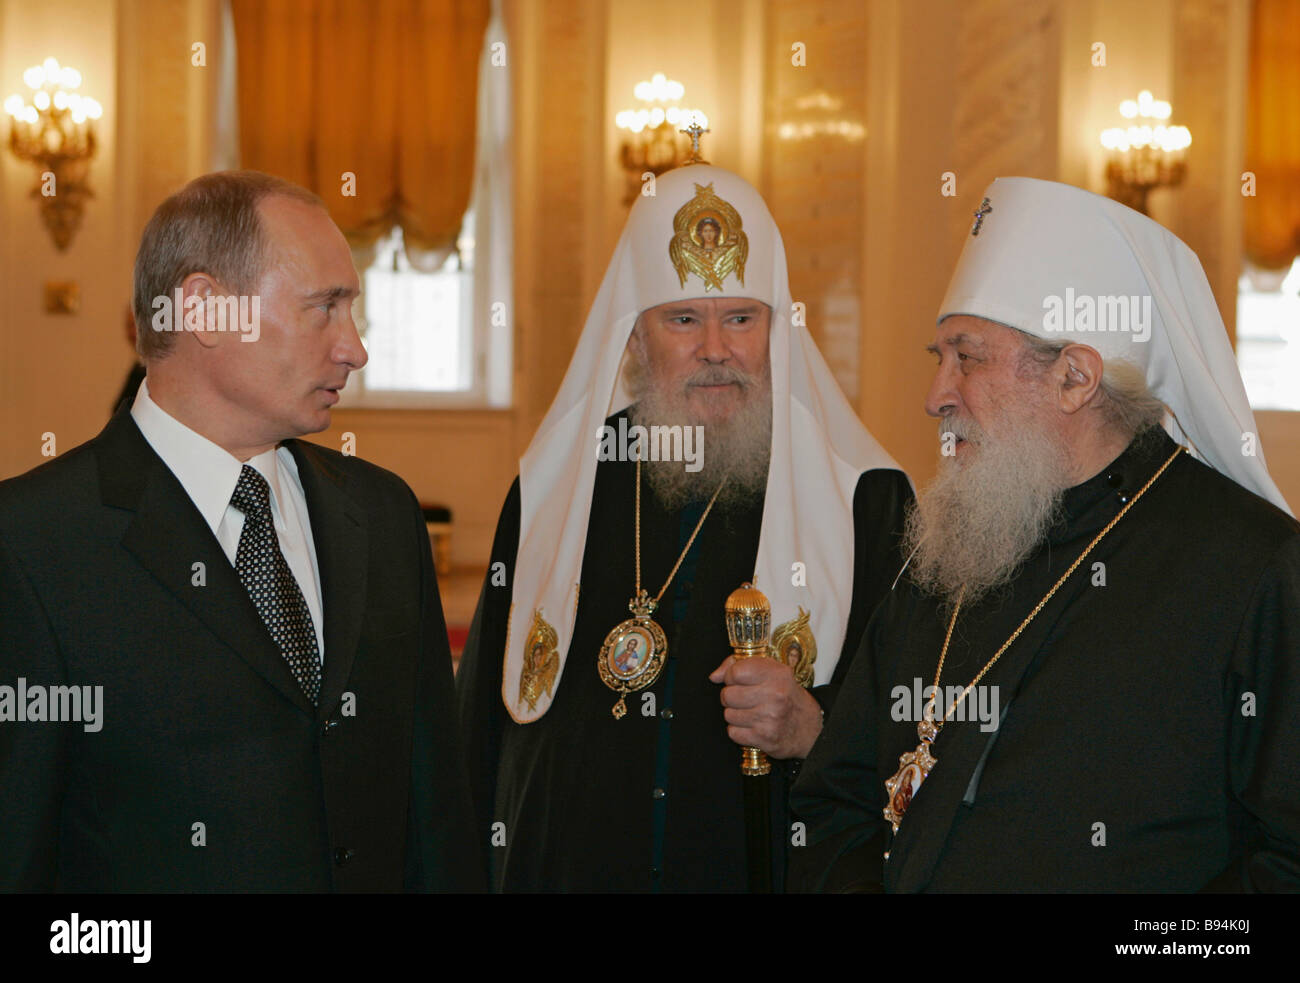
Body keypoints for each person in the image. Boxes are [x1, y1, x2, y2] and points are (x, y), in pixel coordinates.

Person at [791, 177, 1300, 892]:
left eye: (966, 357)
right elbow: (833, 800)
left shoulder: (1251, 567)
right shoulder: (948, 545)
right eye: (938, 357)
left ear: (1074, 377)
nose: (934, 395)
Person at [0, 170, 481, 892]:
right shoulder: (33, 543)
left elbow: (436, 818)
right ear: (205, 309)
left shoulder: (382, 514)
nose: (355, 348)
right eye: (325, 308)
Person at [457, 162, 913, 892]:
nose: (715, 349)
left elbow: (908, 730)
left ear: (777, 329)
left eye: (740, 317)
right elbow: (481, 722)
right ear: (633, 339)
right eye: (683, 320)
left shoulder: (865, 498)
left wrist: (810, 723)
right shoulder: (554, 484)